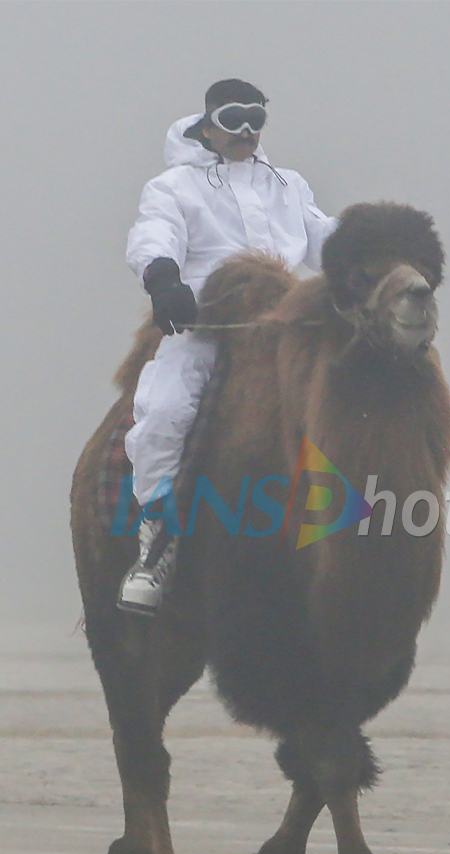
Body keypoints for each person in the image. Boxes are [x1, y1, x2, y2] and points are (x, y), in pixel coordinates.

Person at [118, 78, 336, 615]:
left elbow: (323, 239)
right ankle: (157, 546)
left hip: (283, 328)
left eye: (255, 120)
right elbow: (155, 234)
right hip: (206, 325)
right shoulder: (173, 187)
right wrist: (164, 280)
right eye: (232, 119)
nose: (244, 131)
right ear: (208, 125)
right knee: (164, 409)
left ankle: (361, 539)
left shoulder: (288, 185)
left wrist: (369, 248)